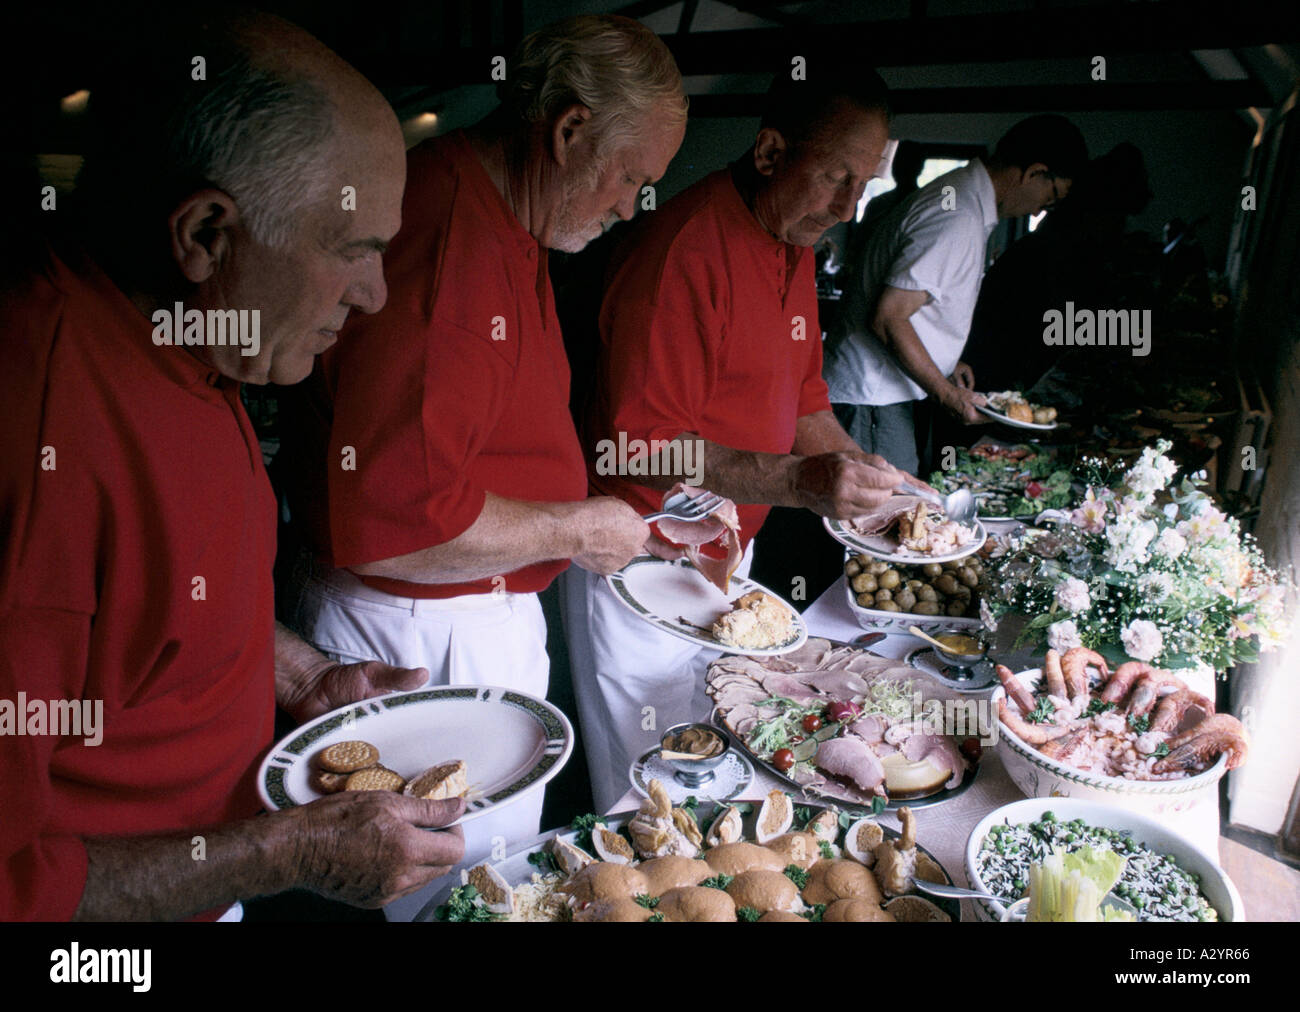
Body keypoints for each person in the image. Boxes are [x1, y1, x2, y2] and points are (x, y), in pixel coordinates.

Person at [0, 13, 467, 921]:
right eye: (354, 252)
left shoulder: (200, 336)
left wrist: (299, 676)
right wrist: (283, 852)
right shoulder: (43, 444)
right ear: (207, 234)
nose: (376, 296)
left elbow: (156, 608)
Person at [278, 15, 686, 866]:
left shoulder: (509, 215)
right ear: (569, 131)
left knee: (487, 880)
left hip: (456, 618)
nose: (629, 206)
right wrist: (579, 528)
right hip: (419, 635)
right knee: (457, 889)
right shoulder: (450, 236)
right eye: (628, 177)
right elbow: (404, 525)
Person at [564, 68, 914, 812]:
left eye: (864, 185)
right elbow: (640, 445)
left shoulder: (792, 237)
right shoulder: (682, 250)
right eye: (836, 178)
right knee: (651, 792)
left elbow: (805, 401)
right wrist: (798, 484)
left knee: (723, 775)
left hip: (727, 554)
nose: (849, 208)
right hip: (642, 559)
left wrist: (874, 478)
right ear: (769, 153)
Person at [822, 114, 1088, 474]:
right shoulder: (958, 215)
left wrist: (944, 362)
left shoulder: (964, 199)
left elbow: (923, 303)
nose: (1041, 209)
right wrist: (947, 394)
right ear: (1034, 173)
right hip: (871, 397)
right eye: (1050, 197)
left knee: (902, 497)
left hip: (884, 394)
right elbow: (888, 317)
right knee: (886, 505)